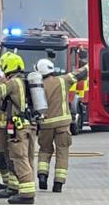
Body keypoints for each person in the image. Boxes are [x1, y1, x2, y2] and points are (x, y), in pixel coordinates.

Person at [0, 52, 37, 204]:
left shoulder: (13, 83)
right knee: (24, 157)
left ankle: (27, 194)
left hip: (18, 127)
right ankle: (18, 188)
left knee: (19, 158)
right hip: (27, 125)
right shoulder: (25, 81)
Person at [35, 58, 88, 193]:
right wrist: (91, 63)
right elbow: (80, 73)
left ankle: (42, 176)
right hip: (63, 125)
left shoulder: (37, 85)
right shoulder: (63, 80)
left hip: (45, 125)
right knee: (62, 152)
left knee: (44, 151)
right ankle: (58, 184)